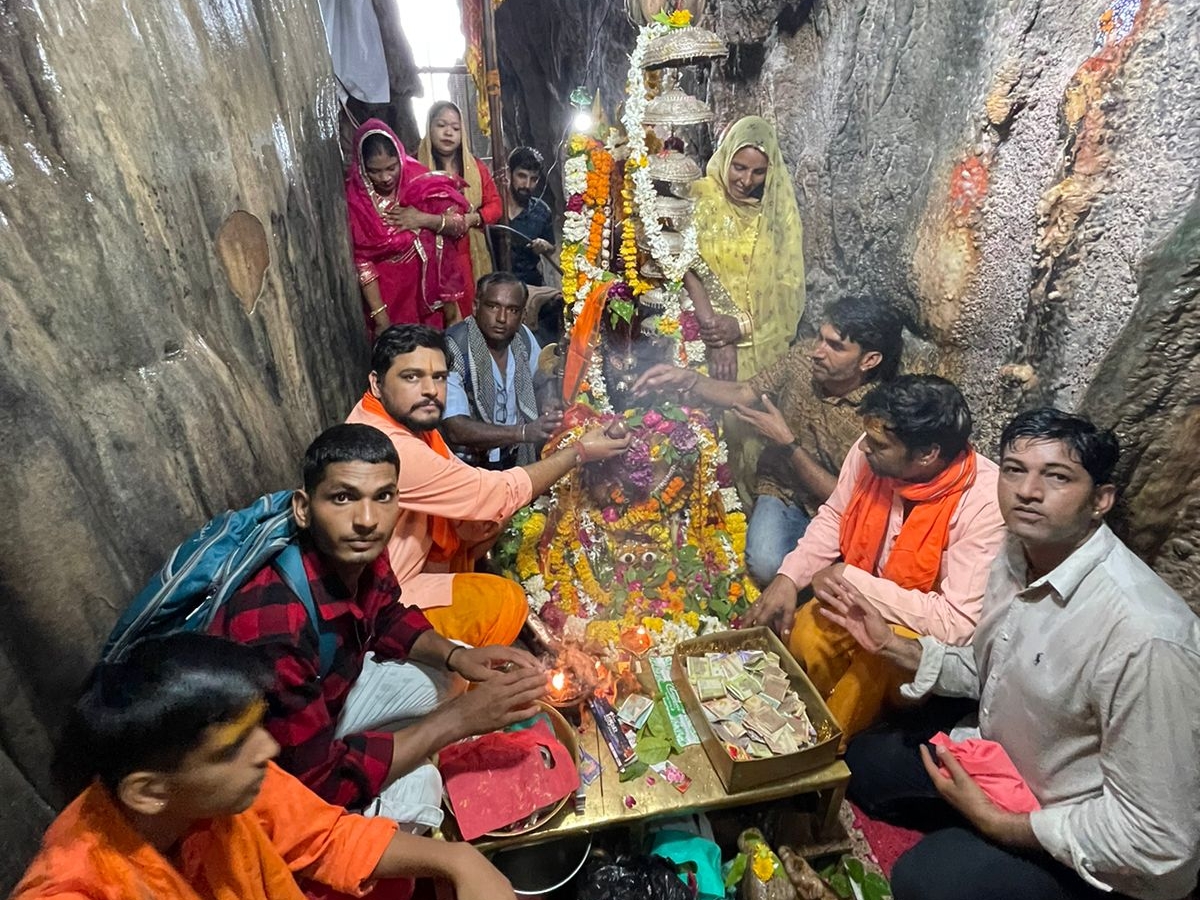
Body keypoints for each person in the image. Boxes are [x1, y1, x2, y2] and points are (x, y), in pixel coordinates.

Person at [835, 409, 1200, 900]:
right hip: (1001, 763)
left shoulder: (1145, 637)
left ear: (1101, 501)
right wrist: (891, 645)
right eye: (1014, 469)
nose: (1027, 491)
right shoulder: (1016, 552)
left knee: (925, 881)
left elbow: (1160, 840)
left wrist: (1005, 825)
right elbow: (992, 670)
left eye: (1057, 476)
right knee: (861, 764)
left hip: (1084, 832)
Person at [210, 424, 546, 829]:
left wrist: (459, 656)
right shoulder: (275, 623)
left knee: (450, 672)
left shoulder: (360, 552)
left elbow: (387, 614)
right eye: (342, 498)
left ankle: (406, 741)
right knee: (417, 794)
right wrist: (458, 721)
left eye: (382, 497)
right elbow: (318, 780)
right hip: (282, 768)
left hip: (334, 699)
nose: (367, 520)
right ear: (303, 508)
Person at [12, 632, 517, 900]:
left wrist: (459, 860)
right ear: (147, 791)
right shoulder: (77, 887)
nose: (269, 751)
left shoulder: (218, 791)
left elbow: (324, 838)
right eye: (232, 746)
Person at [745, 375, 1006, 740]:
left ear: (927, 454)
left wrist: (850, 582)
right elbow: (837, 514)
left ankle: (822, 757)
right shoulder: (874, 454)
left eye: (879, 444)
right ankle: (774, 725)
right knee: (803, 636)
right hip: (859, 595)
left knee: (863, 680)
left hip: (914, 633)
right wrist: (788, 577)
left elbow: (957, 622)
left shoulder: (985, 503)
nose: (864, 448)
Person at [346, 324, 631, 645]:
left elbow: (470, 485)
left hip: (411, 563)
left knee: (485, 524)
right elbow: (494, 494)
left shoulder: (404, 421)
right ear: (376, 382)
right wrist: (578, 452)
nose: (429, 390)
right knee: (506, 601)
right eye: (411, 377)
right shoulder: (390, 445)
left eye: (438, 377)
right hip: (384, 599)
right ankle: (456, 678)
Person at [634, 296, 905, 585]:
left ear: (869, 360)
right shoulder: (801, 359)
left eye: (835, 346)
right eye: (820, 339)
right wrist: (687, 379)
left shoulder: (876, 417)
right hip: (783, 489)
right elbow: (743, 393)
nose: (817, 352)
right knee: (765, 564)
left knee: (852, 574)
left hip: (840, 510)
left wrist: (788, 445)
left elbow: (850, 502)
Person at [691, 115, 806, 382]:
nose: (746, 180)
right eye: (739, 167)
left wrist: (741, 326)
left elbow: (789, 289)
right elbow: (679, 266)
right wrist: (718, 337)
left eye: (759, 172)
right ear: (726, 157)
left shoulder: (779, 216)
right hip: (695, 335)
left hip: (758, 348)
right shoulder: (699, 199)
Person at [346, 118, 470, 335]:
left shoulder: (420, 180)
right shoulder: (356, 200)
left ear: (400, 157)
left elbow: (459, 225)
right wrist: (380, 317)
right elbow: (362, 260)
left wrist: (422, 219)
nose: (385, 178)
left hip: (430, 295)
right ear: (362, 167)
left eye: (391, 167)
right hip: (386, 298)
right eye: (375, 171)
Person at [443, 272, 564, 468]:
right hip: (465, 466)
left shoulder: (522, 337)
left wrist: (547, 402)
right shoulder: (454, 346)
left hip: (514, 458)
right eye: (493, 307)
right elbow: (455, 427)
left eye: (512, 310)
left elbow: (542, 378)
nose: (501, 318)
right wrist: (522, 433)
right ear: (475, 307)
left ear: (523, 315)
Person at [417, 101, 501, 319]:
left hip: (469, 254)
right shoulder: (415, 168)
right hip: (431, 257)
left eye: (455, 128)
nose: (448, 133)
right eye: (441, 125)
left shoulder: (475, 167)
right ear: (429, 127)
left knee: (474, 315)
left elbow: (495, 205)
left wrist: (474, 218)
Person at [504, 146, 555, 288]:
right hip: (494, 286)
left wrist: (545, 246)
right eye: (521, 176)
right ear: (509, 173)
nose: (527, 185)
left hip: (530, 287)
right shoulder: (493, 207)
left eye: (534, 179)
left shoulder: (542, 211)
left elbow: (552, 248)